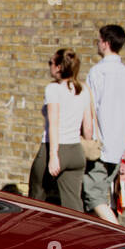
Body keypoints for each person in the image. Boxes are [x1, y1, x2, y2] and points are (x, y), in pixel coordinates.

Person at [84, 24, 125, 223]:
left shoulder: (97, 72)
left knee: (93, 196)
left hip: (101, 145)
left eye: (99, 40)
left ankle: (121, 235)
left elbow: (89, 109)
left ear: (106, 43)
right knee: (108, 197)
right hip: (119, 145)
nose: (97, 44)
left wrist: (88, 139)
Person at [28, 48, 91, 212]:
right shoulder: (83, 89)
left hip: (54, 148)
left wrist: (54, 156)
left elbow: (54, 123)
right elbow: (88, 129)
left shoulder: (53, 89)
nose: (49, 66)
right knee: (74, 206)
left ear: (58, 67)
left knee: (36, 197)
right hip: (76, 151)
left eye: (51, 62)